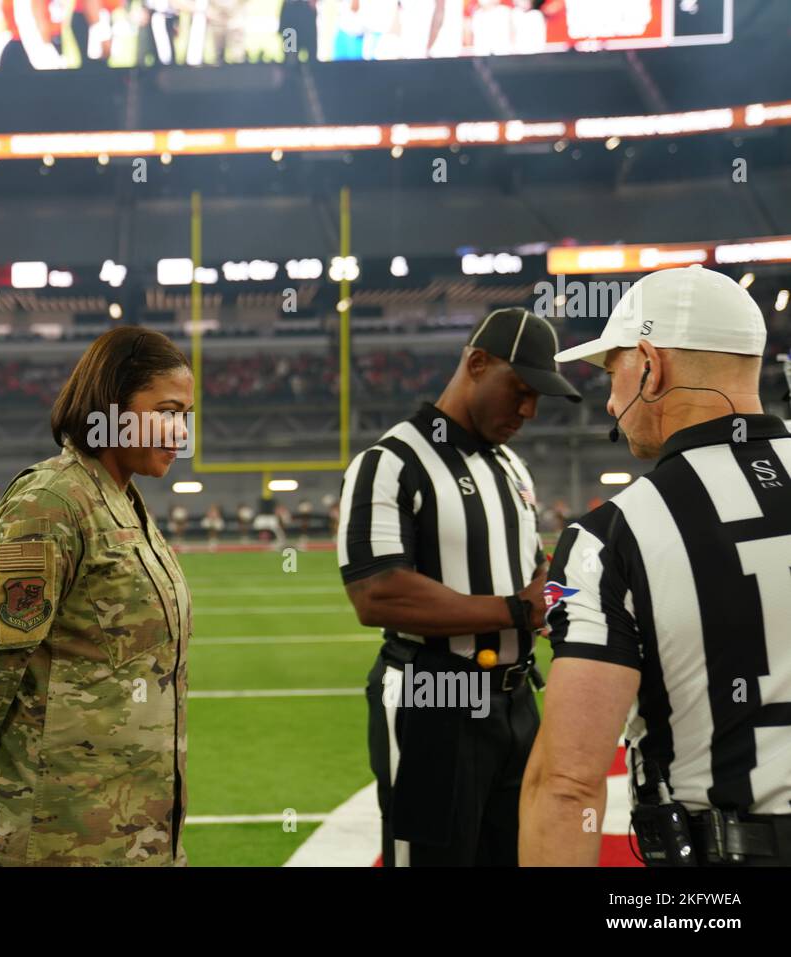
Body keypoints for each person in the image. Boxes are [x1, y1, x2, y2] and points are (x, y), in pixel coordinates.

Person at [521, 267, 791, 866]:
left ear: (650, 363)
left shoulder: (611, 536)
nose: (612, 399)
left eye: (613, 371)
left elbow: (568, 784)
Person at [0, 326, 194, 866]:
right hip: (54, 834)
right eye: (168, 411)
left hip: (130, 835)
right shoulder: (51, 502)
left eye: (187, 416)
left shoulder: (124, 501)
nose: (181, 433)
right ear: (114, 404)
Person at [338, 307, 581, 866]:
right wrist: (517, 610)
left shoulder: (512, 466)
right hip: (435, 696)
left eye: (538, 396)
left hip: (517, 698)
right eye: (519, 389)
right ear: (476, 363)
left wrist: (558, 599)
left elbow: (532, 578)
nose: (528, 409)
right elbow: (377, 594)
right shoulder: (390, 462)